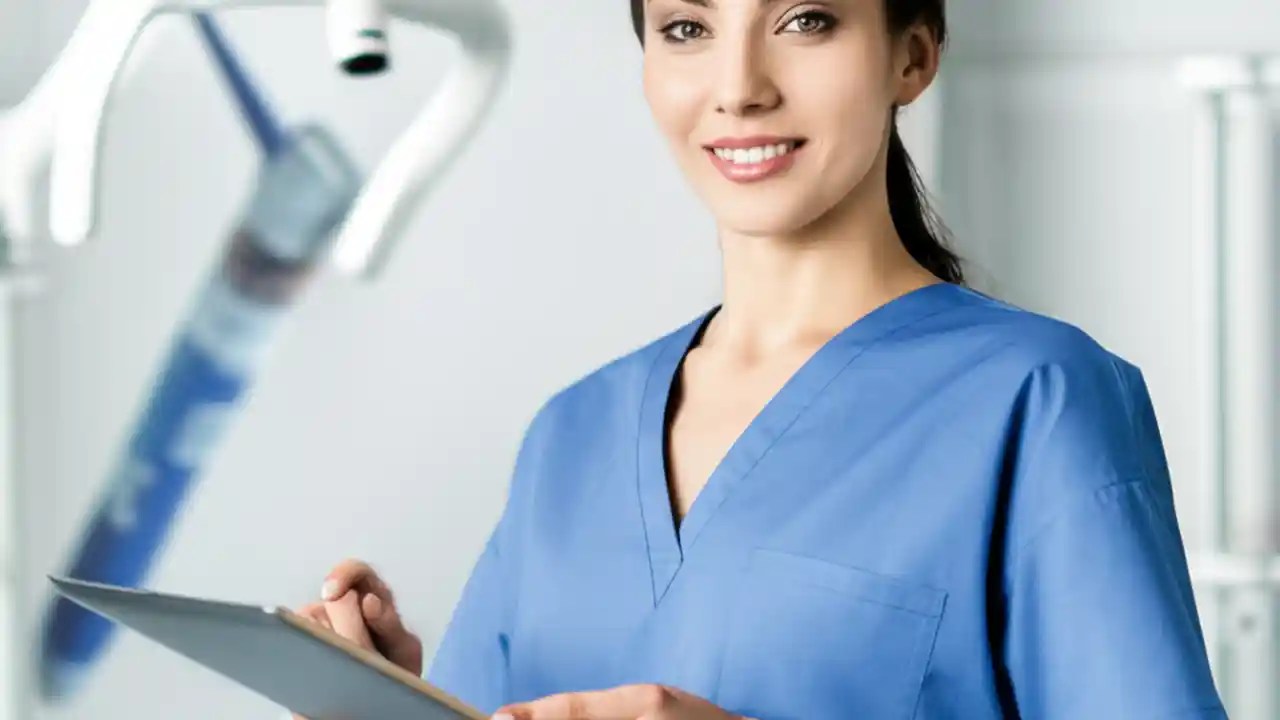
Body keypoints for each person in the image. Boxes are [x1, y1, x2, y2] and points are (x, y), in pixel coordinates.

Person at [291, 0, 1227, 717]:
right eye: (688, 28)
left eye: (805, 20)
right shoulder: (572, 433)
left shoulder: (1038, 399)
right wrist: (388, 699)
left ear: (913, 53)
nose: (739, 85)